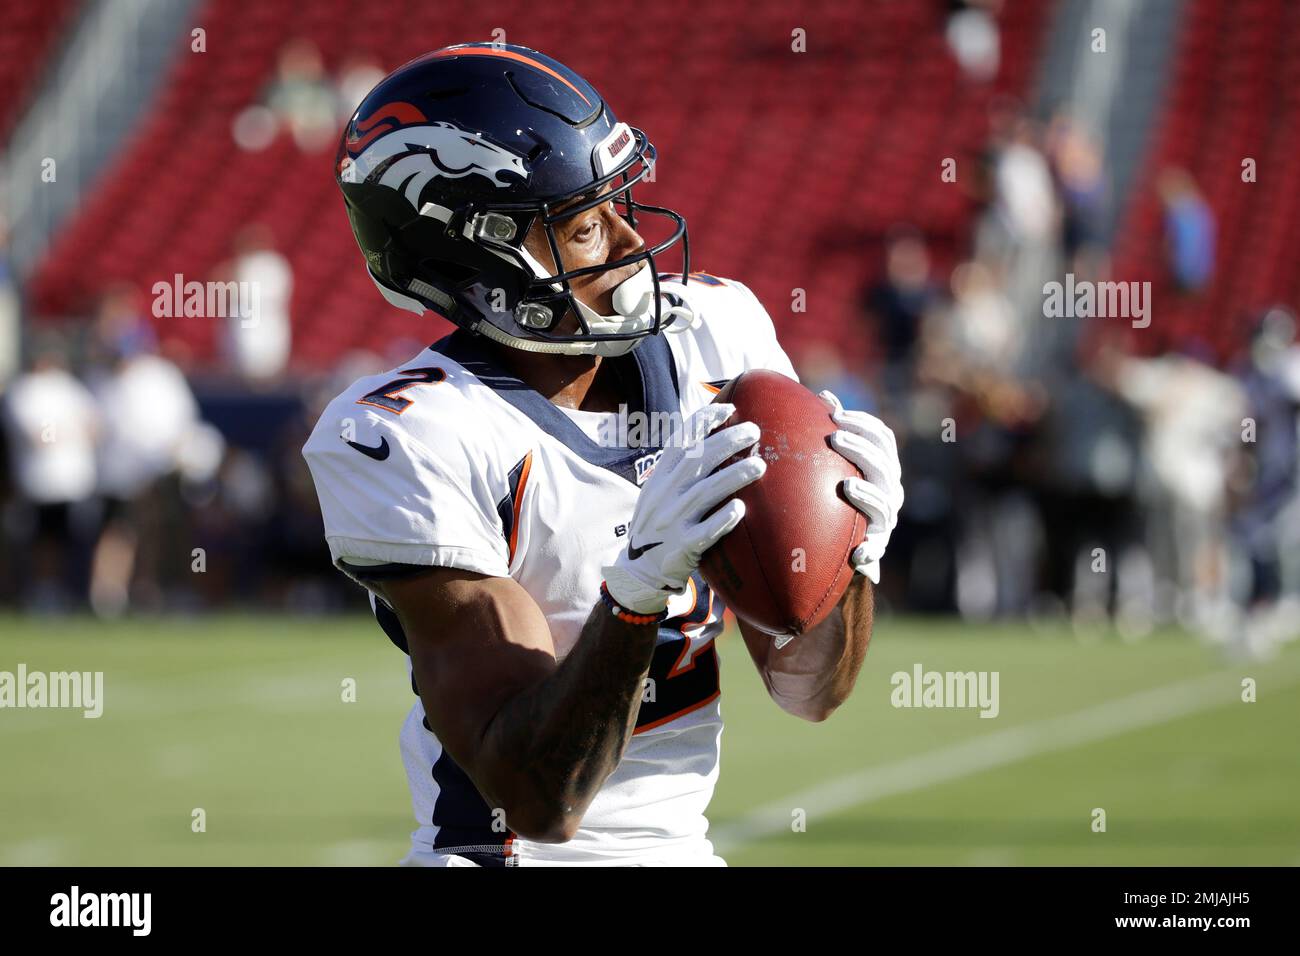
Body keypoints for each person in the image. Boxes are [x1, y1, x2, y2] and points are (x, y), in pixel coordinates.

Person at [302, 44, 904, 867]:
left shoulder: (716, 340)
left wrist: (853, 552)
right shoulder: (412, 433)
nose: (630, 241)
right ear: (480, 254)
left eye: (621, 204)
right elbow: (539, 799)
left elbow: (811, 690)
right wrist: (638, 589)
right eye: (585, 224)